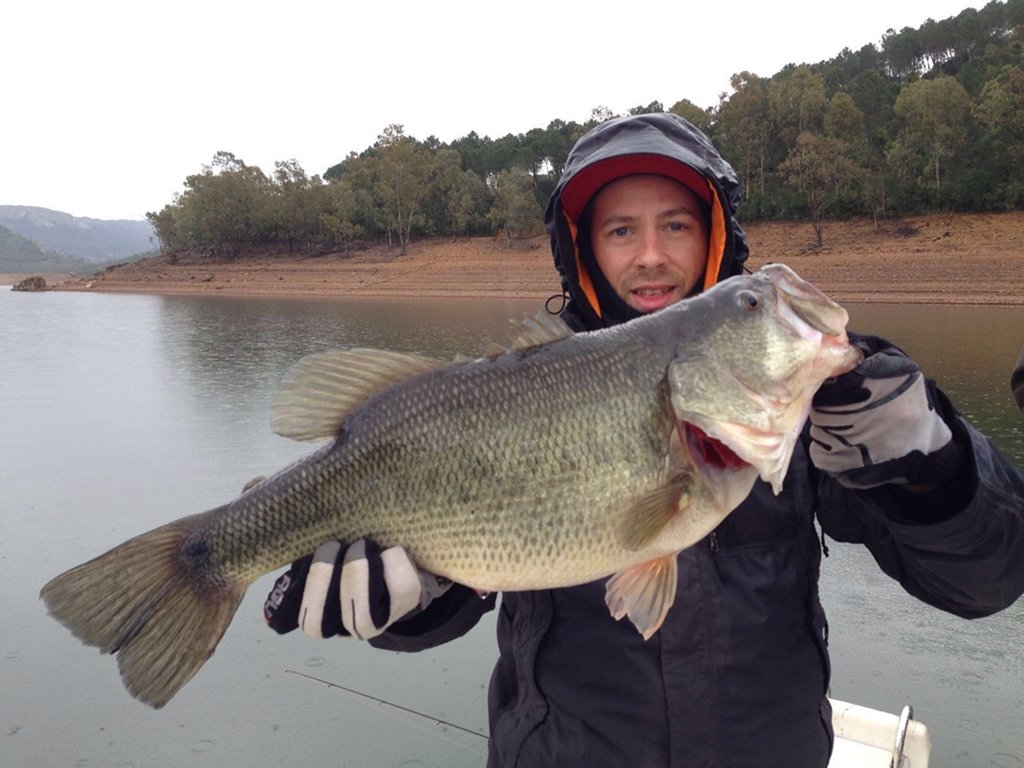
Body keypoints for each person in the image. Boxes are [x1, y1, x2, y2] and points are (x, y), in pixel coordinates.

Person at [263, 113, 1024, 767]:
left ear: (714, 236)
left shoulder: (813, 409)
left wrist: (936, 474)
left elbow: (984, 585)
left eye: (677, 225)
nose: (651, 255)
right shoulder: (513, 389)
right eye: (622, 229)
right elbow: (450, 594)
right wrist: (417, 602)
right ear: (585, 246)